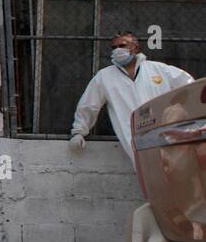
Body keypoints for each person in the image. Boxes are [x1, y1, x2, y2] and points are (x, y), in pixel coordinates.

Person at [70, 31, 194, 162]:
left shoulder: (158, 69)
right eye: (114, 47)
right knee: (149, 175)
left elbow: (189, 87)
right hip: (134, 140)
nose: (117, 50)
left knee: (177, 172)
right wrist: (79, 132)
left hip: (167, 135)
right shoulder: (104, 76)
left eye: (122, 45)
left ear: (135, 47)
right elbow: (89, 104)